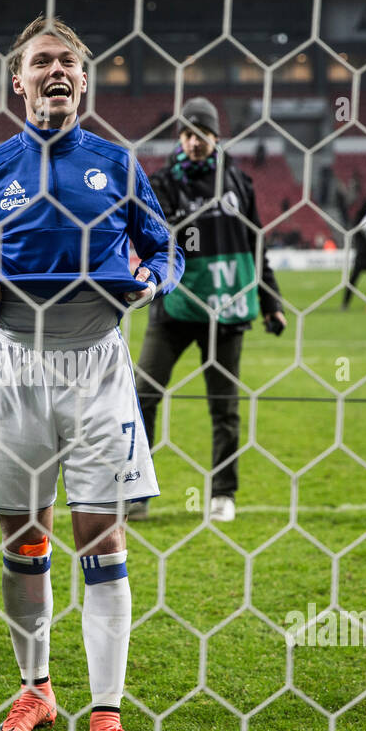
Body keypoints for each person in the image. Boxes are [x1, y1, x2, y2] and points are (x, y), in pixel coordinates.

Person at [0, 16, 183, 731]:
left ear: (84, 80)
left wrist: (151, 278)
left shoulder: (118, 163)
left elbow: (164, 248)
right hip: (16, 364)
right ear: (18, 80)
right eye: (42, 61)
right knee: (26, 542)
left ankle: (105, 716)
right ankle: (36, 688)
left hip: (97, 363)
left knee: (103, 544)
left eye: (69, 63)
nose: (57, 72)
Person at [131, 96, 285, 524]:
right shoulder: (162, 184)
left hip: (228, 309)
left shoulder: (239, 183)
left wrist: (272, 303)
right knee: (143, 395)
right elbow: (148, 241)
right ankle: (137, 493)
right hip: (174, 310)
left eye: (200, 133)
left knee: (224, 405)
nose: (192, 141)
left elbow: (256, 246)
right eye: (185, 134)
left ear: (216, 136)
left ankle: (222, 493)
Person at [342, 190, 366, 309]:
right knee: (353, 278)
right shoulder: (362, 213)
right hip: (363, 251)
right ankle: (345, 303)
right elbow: (358, 229)